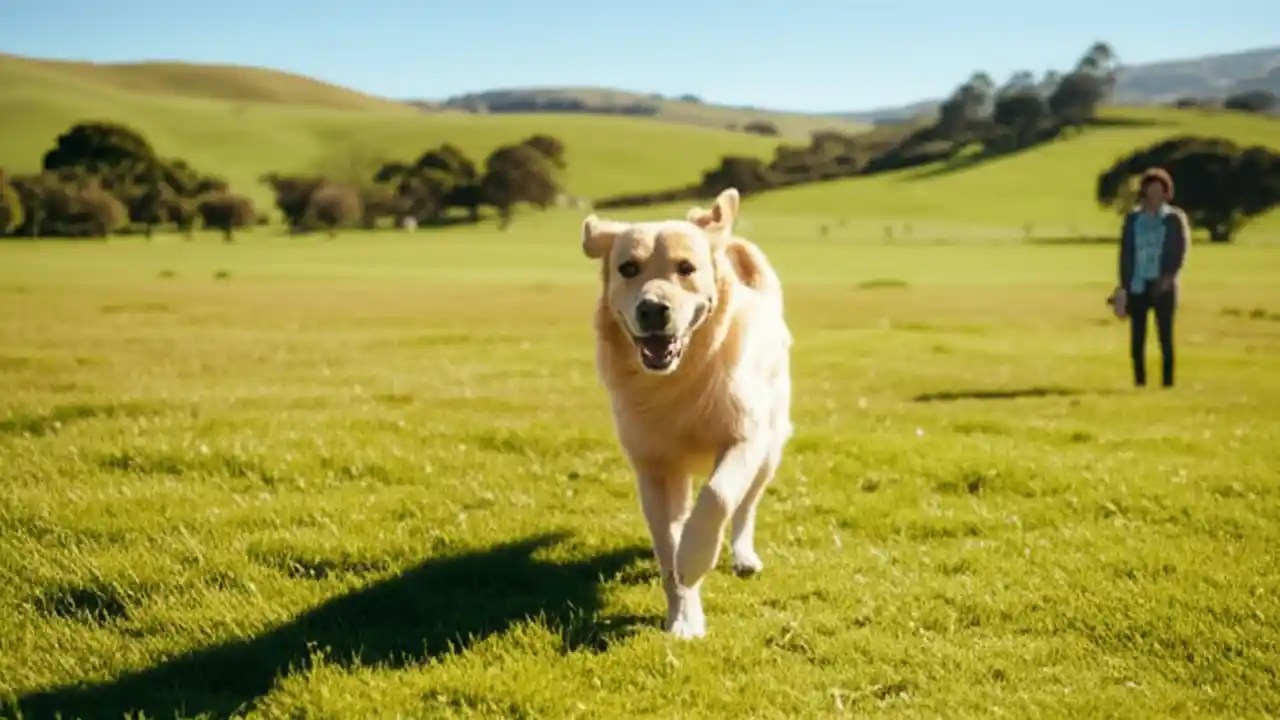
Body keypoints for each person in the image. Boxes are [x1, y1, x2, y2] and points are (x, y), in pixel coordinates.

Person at [1116, 167, 1188, 388]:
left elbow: (1180, 251)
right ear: (1145, 191)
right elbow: (1125, 253)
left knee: (1165, 336)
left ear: (1166, 192)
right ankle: (1140, 380)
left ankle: (1168, 382)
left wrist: (1168, 277)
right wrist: (1123, 288)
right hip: (1138, 283)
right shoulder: (1133, 219)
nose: (1155, 194)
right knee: (1137, 337)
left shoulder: (1173, 219)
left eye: (1160, 190)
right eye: (1151, 189)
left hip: (1163, 285)